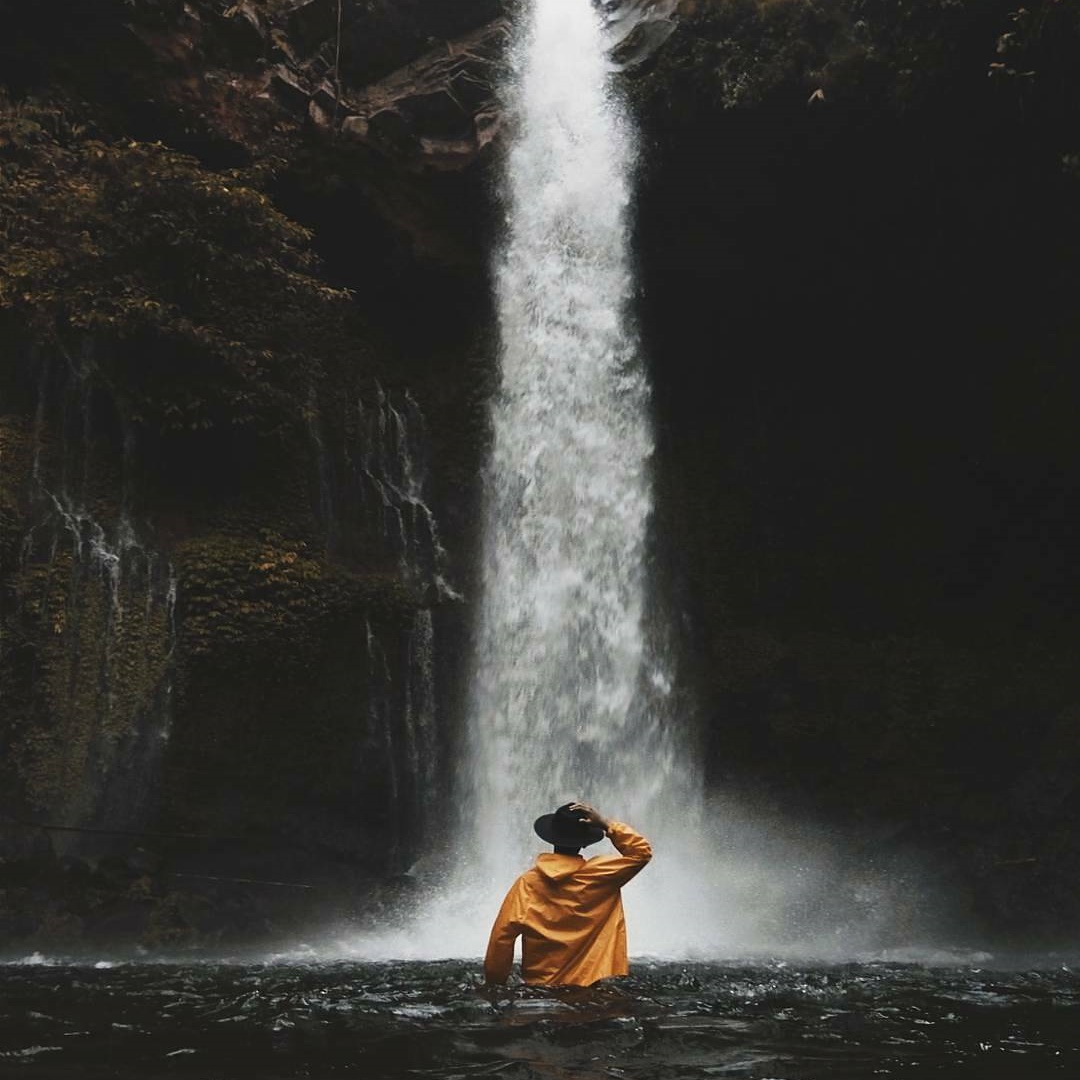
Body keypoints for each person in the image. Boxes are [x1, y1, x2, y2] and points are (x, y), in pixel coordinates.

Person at [483, 801, 652, 987]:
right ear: (585, 843)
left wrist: (495, 984)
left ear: (551, 838)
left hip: (540, 988)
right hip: (590, 987)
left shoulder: (528, 883)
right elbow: (641, 853)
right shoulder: (602, 875)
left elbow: (502, 936)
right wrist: (606, 824)